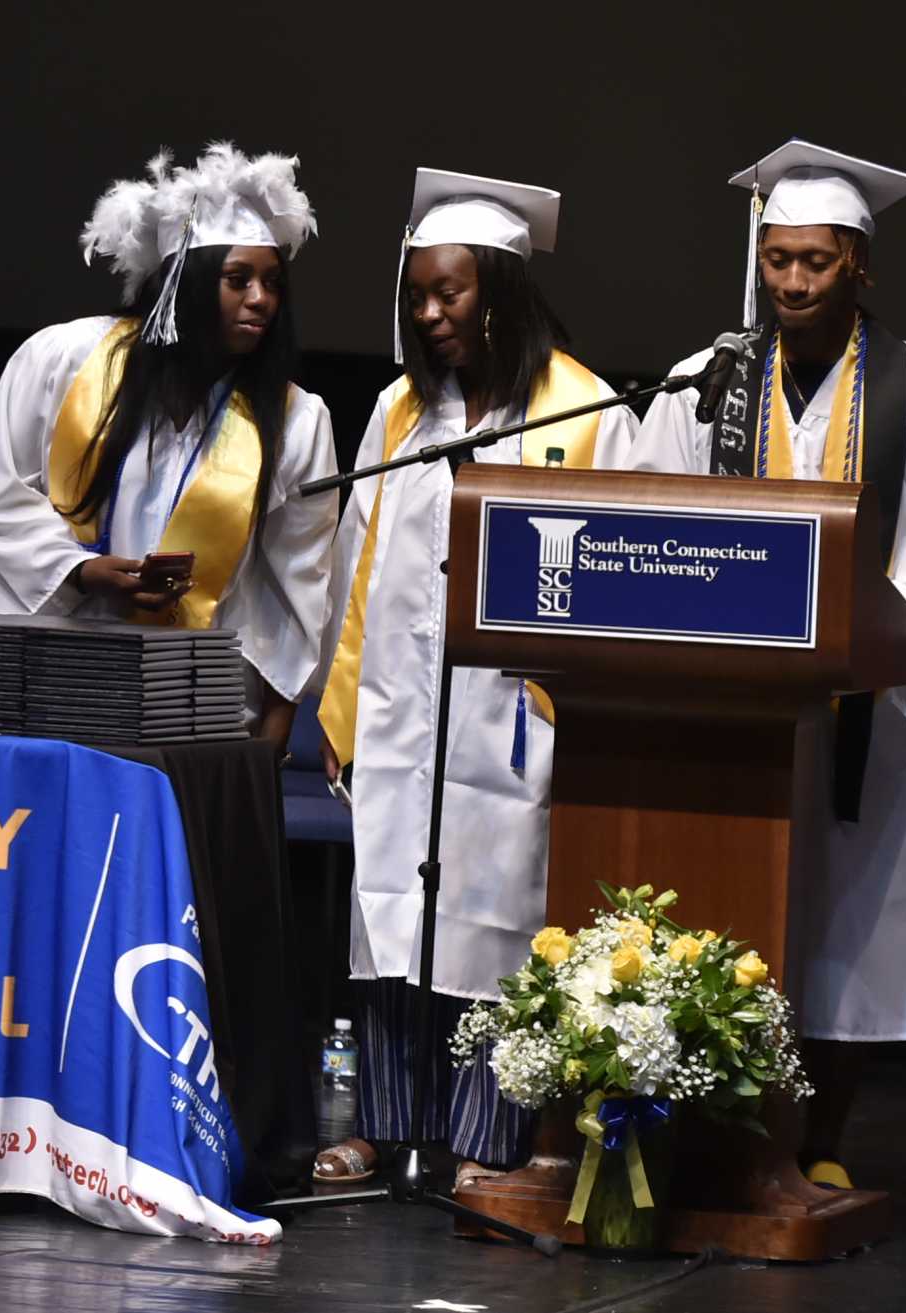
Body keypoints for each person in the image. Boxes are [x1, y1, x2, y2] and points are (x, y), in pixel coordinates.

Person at [602, 141, 906, 1187]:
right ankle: (713, 1138)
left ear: (857, 264)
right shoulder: (707, 380)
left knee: (846, 936)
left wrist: (868, 651)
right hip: (731, 716)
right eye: (775, 259)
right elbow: (651, 518)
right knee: (726, 912)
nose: (790, 282)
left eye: (814, 261)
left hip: (873, 717)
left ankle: (815, 1146)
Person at [310, 169, 639, 1187]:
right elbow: (350, 558)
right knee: (387, 918)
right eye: (415, 294)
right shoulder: (399, 412)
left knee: (491, 926)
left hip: (511, 718)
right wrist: (339, 694)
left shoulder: (588, 411)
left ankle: (484, 1140)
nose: (428, 312)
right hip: (399, 709)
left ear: (499, 290)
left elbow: (623, 583)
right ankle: (380, 1122)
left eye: (448, 291)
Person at [0, 144, 337, 748]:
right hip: (57, 679)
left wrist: (275, 725)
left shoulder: (295, 420)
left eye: (272, 283)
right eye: (237, 279)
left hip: (194, 703)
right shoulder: (63, 359)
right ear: (184, 287)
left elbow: (299, 579)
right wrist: (81, 570)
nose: (260, 300)